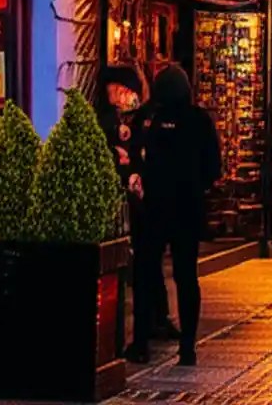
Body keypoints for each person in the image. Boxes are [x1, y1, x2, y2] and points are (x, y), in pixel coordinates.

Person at [125, 65, 222, 367]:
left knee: (145, 272)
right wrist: (196, 186)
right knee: (186, 276)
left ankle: (141, 343)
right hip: (187, 208)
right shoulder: (199, 120)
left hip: (153, 208)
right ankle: (188, 348)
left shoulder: (146, 120)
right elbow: (213, 168)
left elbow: (134, 160)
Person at [97, 65, 180, 343]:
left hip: (141, 200)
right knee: (141, 263)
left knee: (148, 261)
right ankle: (144, 325)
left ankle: (157, 318)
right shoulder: (109, 121)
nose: (125, 96)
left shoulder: (141, 119)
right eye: (120, 90)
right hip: (124, 200)